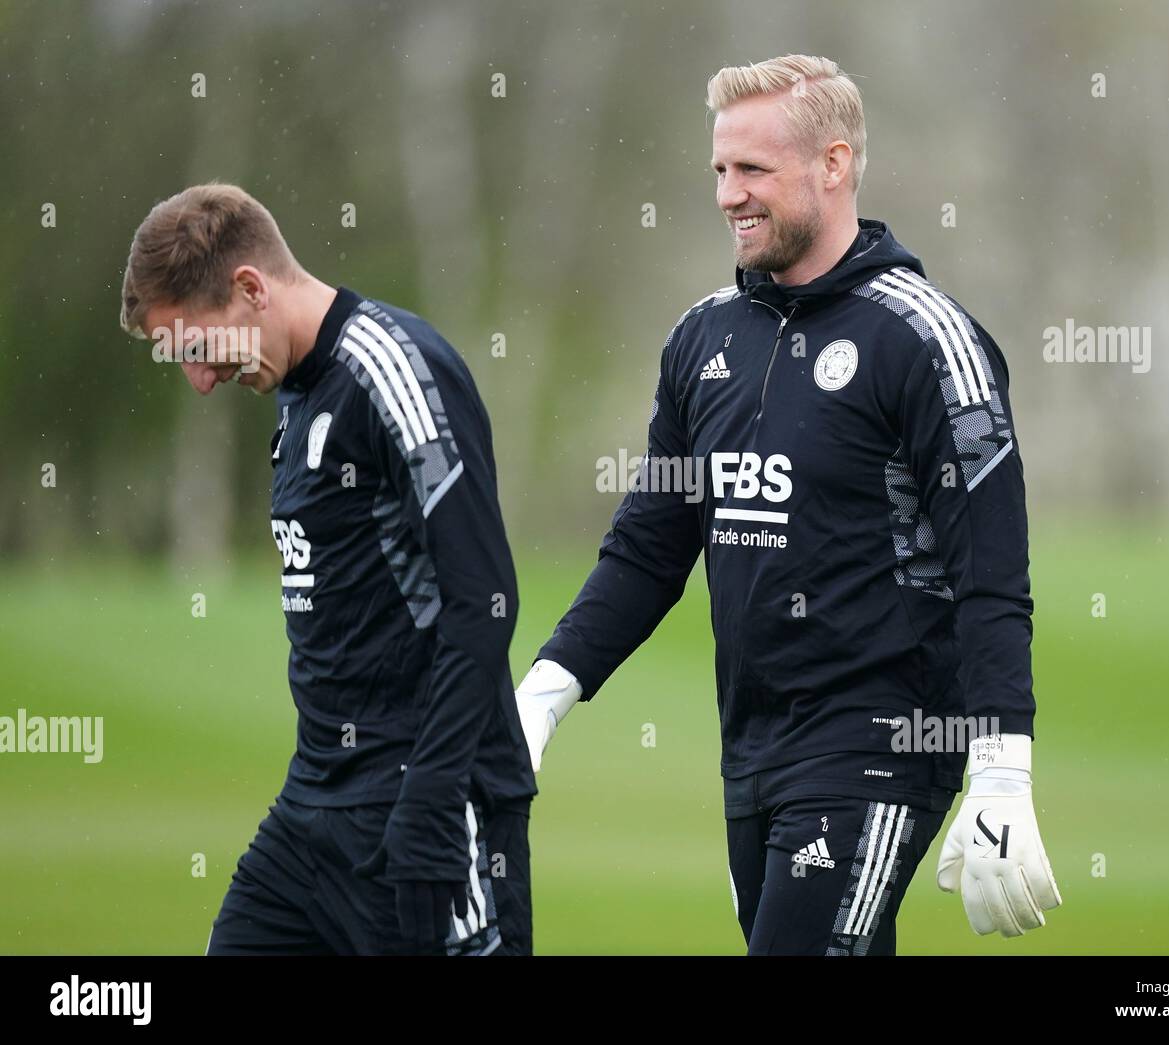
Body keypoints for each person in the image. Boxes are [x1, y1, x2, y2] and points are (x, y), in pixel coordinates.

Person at [514, 55, 1060, 954]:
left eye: (753, 170)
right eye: (720, 171)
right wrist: (541, 693)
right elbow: (649, 549)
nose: (730, 194)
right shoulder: (701, 338)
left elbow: (991, 574)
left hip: (880, 746)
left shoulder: (924, 338)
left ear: (833, 165)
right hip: (752, 753)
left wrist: (1003, 770)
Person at [120, 183, 535, 955]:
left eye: (198, 349)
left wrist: (435, 798)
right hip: (314, 807)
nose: (200, 381)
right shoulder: (295, 388)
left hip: (427, 807)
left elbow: (485, 600)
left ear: (250, 288)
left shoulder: (395, 369)